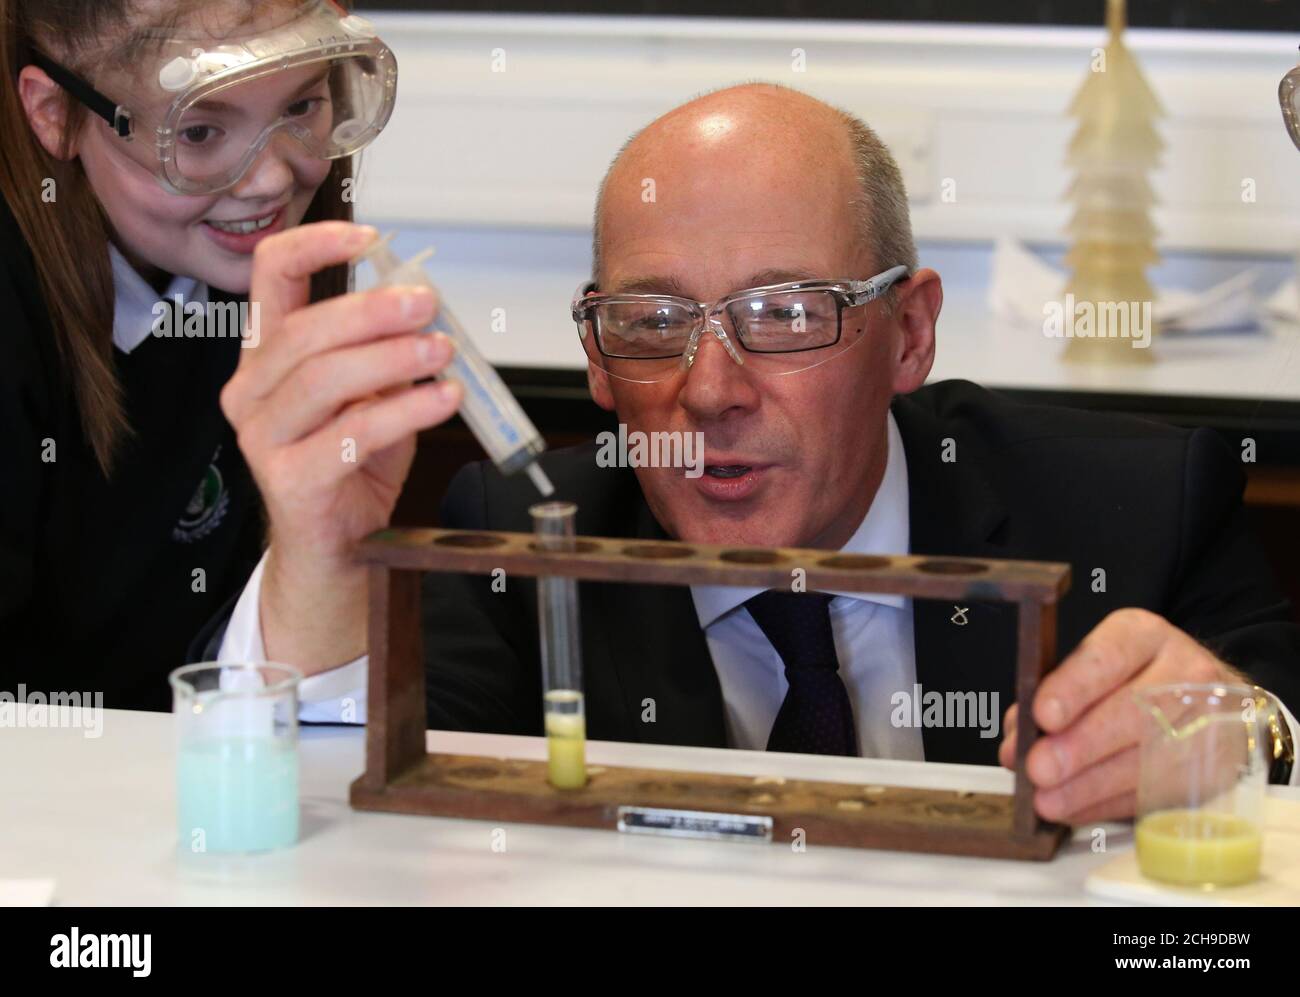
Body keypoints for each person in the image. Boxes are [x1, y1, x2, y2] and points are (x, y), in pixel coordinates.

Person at [208, 83, 1297, 823]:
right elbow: (330, 833)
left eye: (783, 314)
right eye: (651, 319)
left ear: (908, 333)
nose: (710, 391)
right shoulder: (520, 542)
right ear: (593, 357)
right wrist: (323, 561)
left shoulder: (1134, 506)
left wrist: (1248, 738)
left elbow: (1278, 724)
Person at [0, 0, 447, 712]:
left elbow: (248, 664)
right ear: (54, 113)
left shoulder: (243, 260)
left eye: (303, 106)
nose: (269, 179)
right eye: (201, 130)